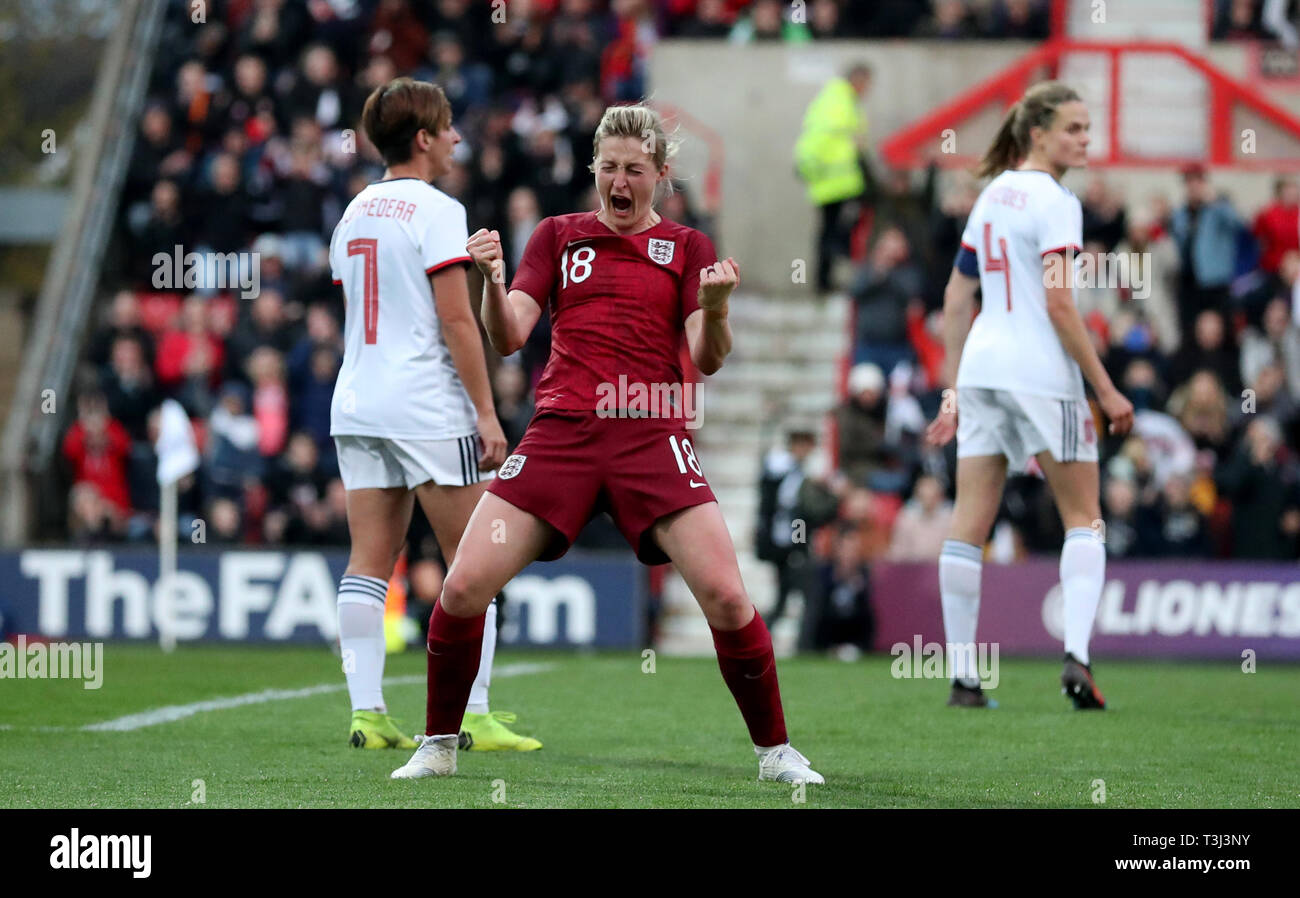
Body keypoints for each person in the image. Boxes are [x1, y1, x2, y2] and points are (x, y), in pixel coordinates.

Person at [393, 103, 824, 785]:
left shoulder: (688, 248)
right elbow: (507, 336)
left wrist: (715, 310)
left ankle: (776, 753)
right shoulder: (558, 236)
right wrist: (491, 282)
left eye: (635, 170)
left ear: (661, 174)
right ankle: (439, 744)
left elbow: (706, 360)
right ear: (595, 168)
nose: (620, 182)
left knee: (727, 597)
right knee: (465, 584)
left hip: (652, 434)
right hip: (561, 433)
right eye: (610, 168)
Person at [329, 77, 538, 753]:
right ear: (422, 139)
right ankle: (473, 712)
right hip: (423, 401)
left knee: (369, 560)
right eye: (447, 127)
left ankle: (367, 713)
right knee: (475, 560)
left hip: (357, 400)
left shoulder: (354, 211)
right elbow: (454, 318)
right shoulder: (438, 209)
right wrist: (486, 411)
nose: (455, 138)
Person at [924, 81, 1135, 711]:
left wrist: (952, 388)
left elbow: (956, 299)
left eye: (1087, 128)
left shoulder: (991, 195)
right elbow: (1061, 303)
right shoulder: (1058, 201)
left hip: (985, 366)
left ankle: (963, 679)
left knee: (970, 521)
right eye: (1073, 128)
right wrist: (1106, 387)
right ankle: (1077, 656)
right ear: (1037, 133)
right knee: (1084, 515)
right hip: (1041, 370)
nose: (1085, 139)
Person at [794, 63, 871, 294]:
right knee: (835, 230)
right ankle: (832, 266)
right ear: (858, 80)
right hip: (838, 180)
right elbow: (826, 138)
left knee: (828, 229)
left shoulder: (834, 98)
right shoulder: (841, 101)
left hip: (830, 180)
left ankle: (823, 280)